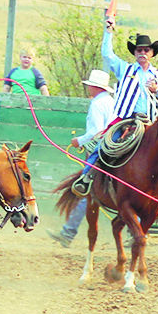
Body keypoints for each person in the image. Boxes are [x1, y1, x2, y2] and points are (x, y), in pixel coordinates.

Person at [72, 16, 158, 194]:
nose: (142, 53)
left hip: (151, 123)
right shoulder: (125, 69)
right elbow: (107, 54)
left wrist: (157, 90)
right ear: (135, 53)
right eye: (139, 50)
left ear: (151, 53)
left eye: (145, 50)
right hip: (126, 120)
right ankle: (86, 176)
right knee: (103, 146)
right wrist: (108, 32)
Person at [49, 69, 115, 247]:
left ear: (94, 87)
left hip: (97, 153)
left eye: (90, 86)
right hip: (112, 150)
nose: (89, 89)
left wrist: (79, 140)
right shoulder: (111, 102)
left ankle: (68, 233)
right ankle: (68, 232)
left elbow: (96, 131)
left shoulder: (97, 104)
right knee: (90, 193)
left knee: (84, 188)